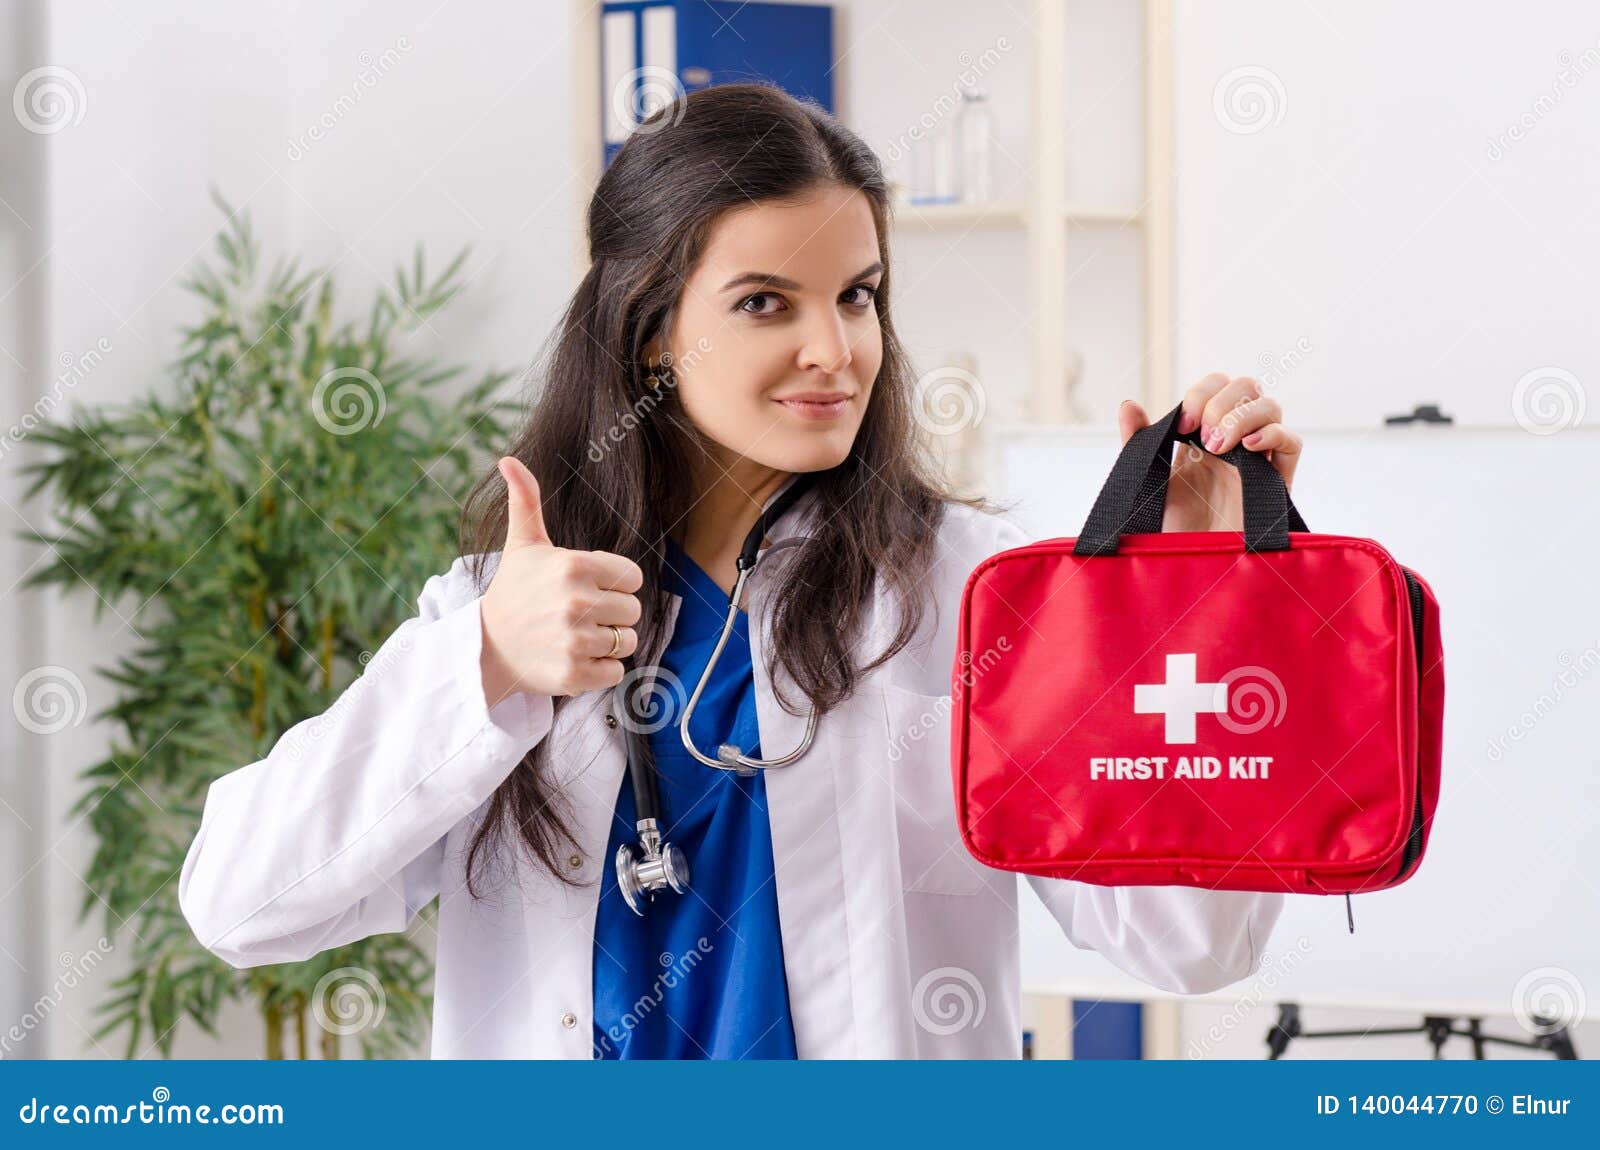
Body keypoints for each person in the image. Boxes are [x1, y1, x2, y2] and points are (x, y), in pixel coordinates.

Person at [179, 82, 1304, 1059]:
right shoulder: (512, 606)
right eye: (766, 302)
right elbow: (240, 905)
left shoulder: (971, 600)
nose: (835, 350)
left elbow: (1193, 946)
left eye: (857, 295)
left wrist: (1195, 598)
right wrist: (483, 662)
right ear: (651, 330)